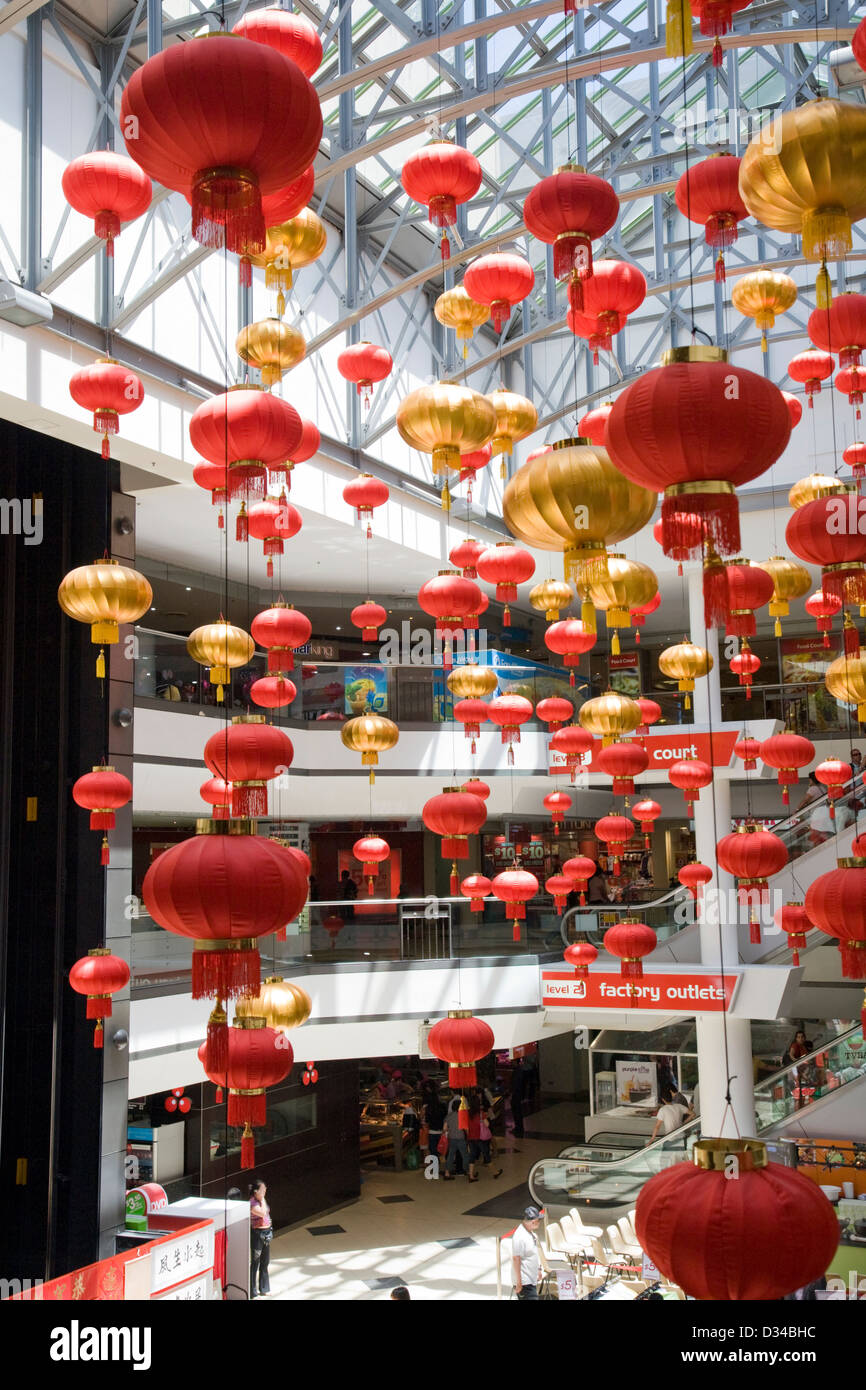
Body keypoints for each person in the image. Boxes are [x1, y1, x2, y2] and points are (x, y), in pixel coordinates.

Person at [511, 1206, 543, 1300]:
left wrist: (538, 1269)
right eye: (539, 1221)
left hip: (531, 1279)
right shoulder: (520, 1236)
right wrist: (519, 1282)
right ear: (533, 1222)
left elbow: (533, 1254)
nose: (539, 1223)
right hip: (525, 1282)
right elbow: (516, 1259)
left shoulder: (530, 1233)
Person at [249, 1179, 273, 1298]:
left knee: (265, 1261)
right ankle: (252, 1290)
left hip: (267, 1232)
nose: (265, 1191)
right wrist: (262, 1199)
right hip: (257, 1234)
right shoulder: (253, 1203)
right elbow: (263, 1213)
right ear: (256, 1191)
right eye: (262, 1189)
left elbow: (267, 1212)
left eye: (265, 1189)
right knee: (255, 1262)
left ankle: (264, 1288)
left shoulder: (262, 1199)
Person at [442, 1096, 475, 1180]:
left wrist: (450, 1129)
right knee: (465, 1156)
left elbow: (444, 1129)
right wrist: (469, 1136)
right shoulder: (462, 1116)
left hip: (451, 1138)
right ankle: (469, 1172)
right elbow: (466, 1128)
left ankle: (447, 1173)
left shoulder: (449, 1116)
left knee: (450, 1156)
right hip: (461, 1138)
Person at [421, 1081, 446, 1161]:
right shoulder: (442, 1107)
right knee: (439, 1150)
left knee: (433, 1151)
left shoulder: (428, 1108)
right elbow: (445, 1118)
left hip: (432, 1132)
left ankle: (435, 1165)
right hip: (440, 1131)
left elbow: (427, 1120)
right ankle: (438, 1162)